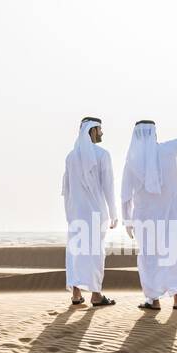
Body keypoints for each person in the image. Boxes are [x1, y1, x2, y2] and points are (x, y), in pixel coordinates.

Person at [121, 120, 177, 310]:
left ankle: (153, 300)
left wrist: (127, 221)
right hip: (168, 217)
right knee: (169, 255)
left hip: (144, 220)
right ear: (154, 134)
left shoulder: (132, 161)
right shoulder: (167, 149)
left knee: (149, 259)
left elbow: (125, 196)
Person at [61, 116, 118, 307]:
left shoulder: (70, 156)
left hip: (76, 212)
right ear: (93, 130)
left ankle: (76, 294)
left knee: (75, 253)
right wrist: (113, 213)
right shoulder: (102, 155)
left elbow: (66, 190)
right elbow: (109, 187)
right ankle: (95, 294)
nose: (102, 133)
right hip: (95, 213)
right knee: (95, 254)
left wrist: (69, 213)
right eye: (100, 129)